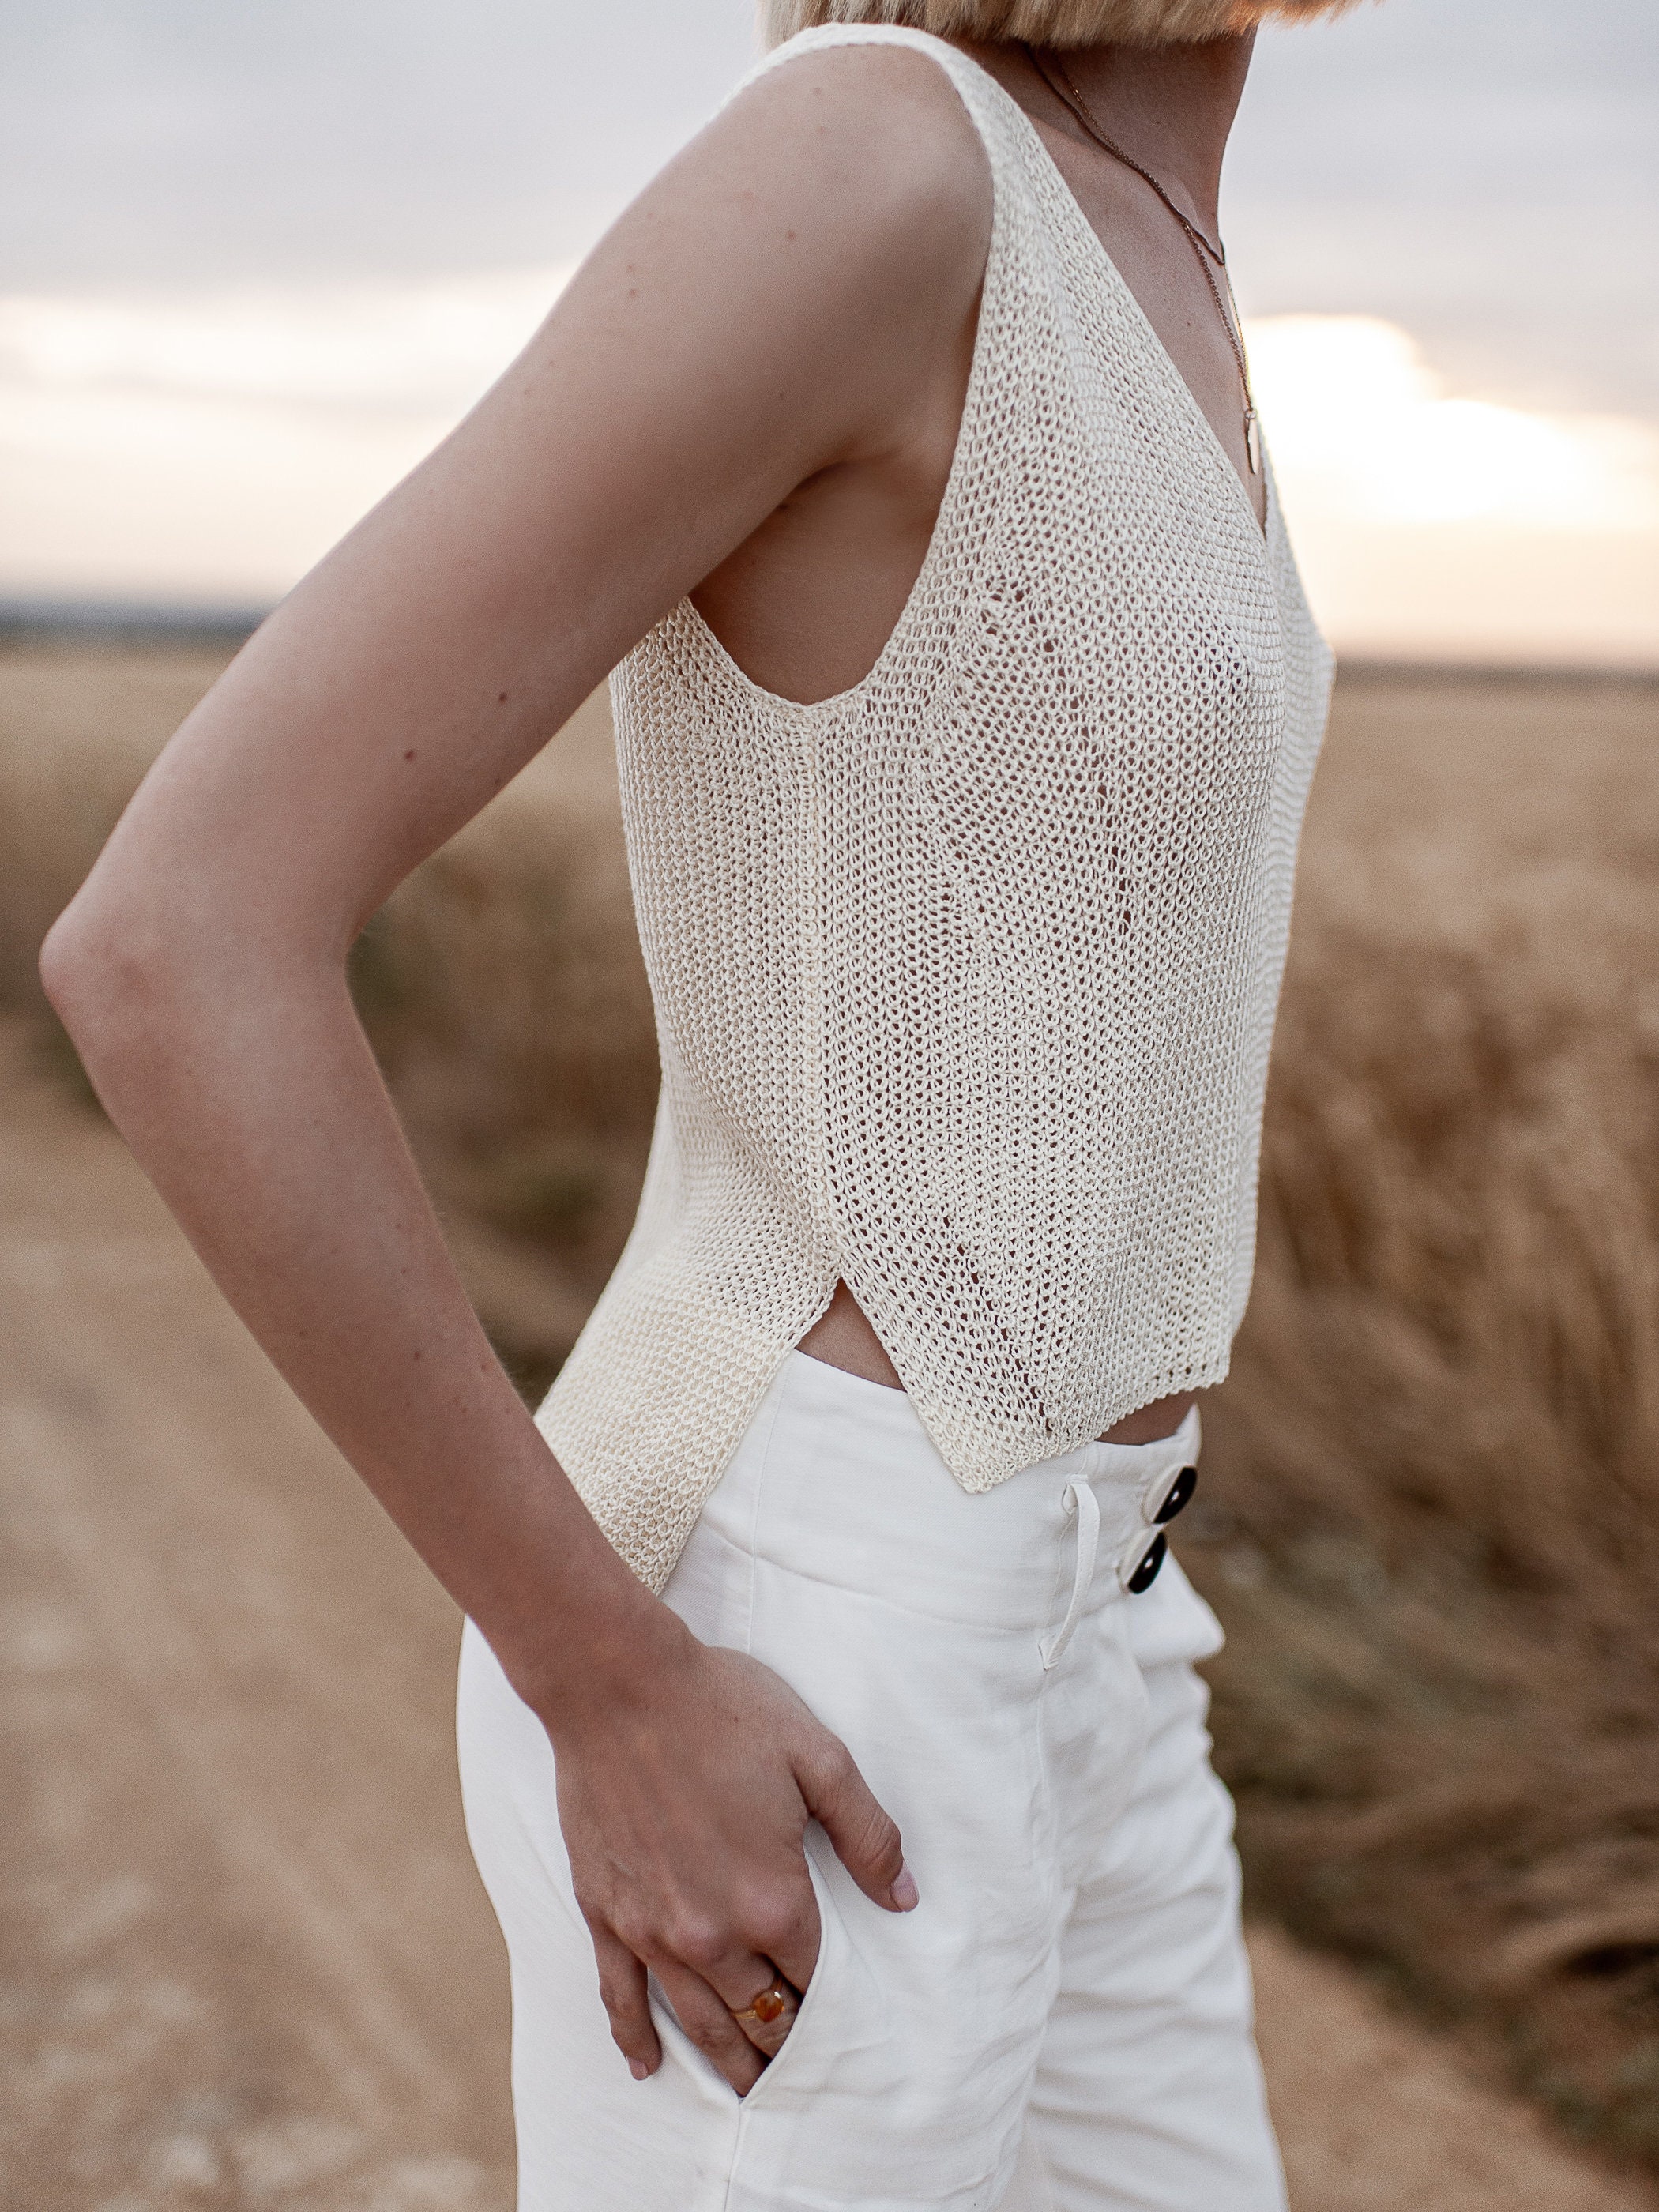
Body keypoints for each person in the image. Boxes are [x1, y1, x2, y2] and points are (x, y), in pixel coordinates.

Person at [43, 0, 1352, 2202]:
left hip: (1108, 1636)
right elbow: (174, 941)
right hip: (817, 1658)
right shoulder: (878, 164)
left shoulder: (1155, 240)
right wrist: (607, 1687)